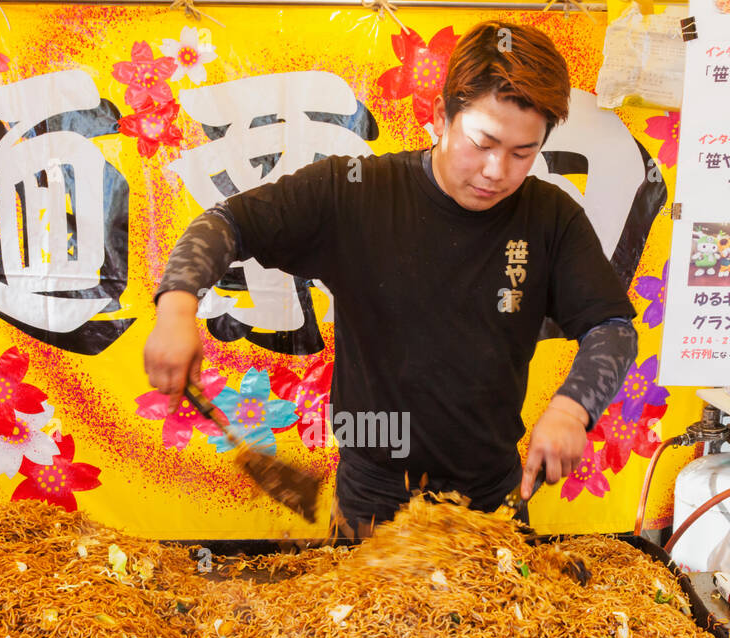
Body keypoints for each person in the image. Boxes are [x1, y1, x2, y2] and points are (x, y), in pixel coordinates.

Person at [144, 20, 638, 536]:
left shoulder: (549, 217)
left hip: (492, 502)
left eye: (522, 153)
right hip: (372, 503)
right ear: (442, 116)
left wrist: (572, 407)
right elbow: (226, 223)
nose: (497, 171)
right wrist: (176, 308)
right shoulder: (356, 193)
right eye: (483, 143)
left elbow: (612, 326)